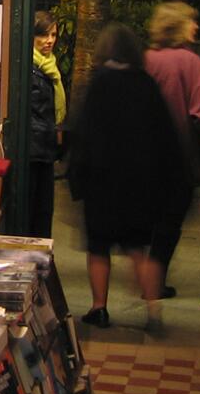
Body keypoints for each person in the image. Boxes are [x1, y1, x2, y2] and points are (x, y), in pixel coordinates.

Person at [65, 21, 191, 329]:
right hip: (138, 184)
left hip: (101, 182)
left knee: (98, 248)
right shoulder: (146, 85)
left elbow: (82, 134)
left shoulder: (98, 84)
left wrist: (76, 178)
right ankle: (152, 310)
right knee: (138, 249)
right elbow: (165, 137)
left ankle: (99, 308)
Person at [141, 1, 200, 297]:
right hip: (177, 156)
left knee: (152, 217)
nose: (196, 27)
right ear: (179, 26)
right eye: (191, 21)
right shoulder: (191, 62)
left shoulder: (146, 59)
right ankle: (154, 282)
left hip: (145, 154)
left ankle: (145, 273)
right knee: (170, 223)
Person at [27, 11, 65, 239]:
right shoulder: (30, 68)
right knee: (36, 214)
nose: (50, 40)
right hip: (34, 150)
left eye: (53, 35)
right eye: (44, 35)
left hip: (44, 150)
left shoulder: (49, 67)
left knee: (43, 213)